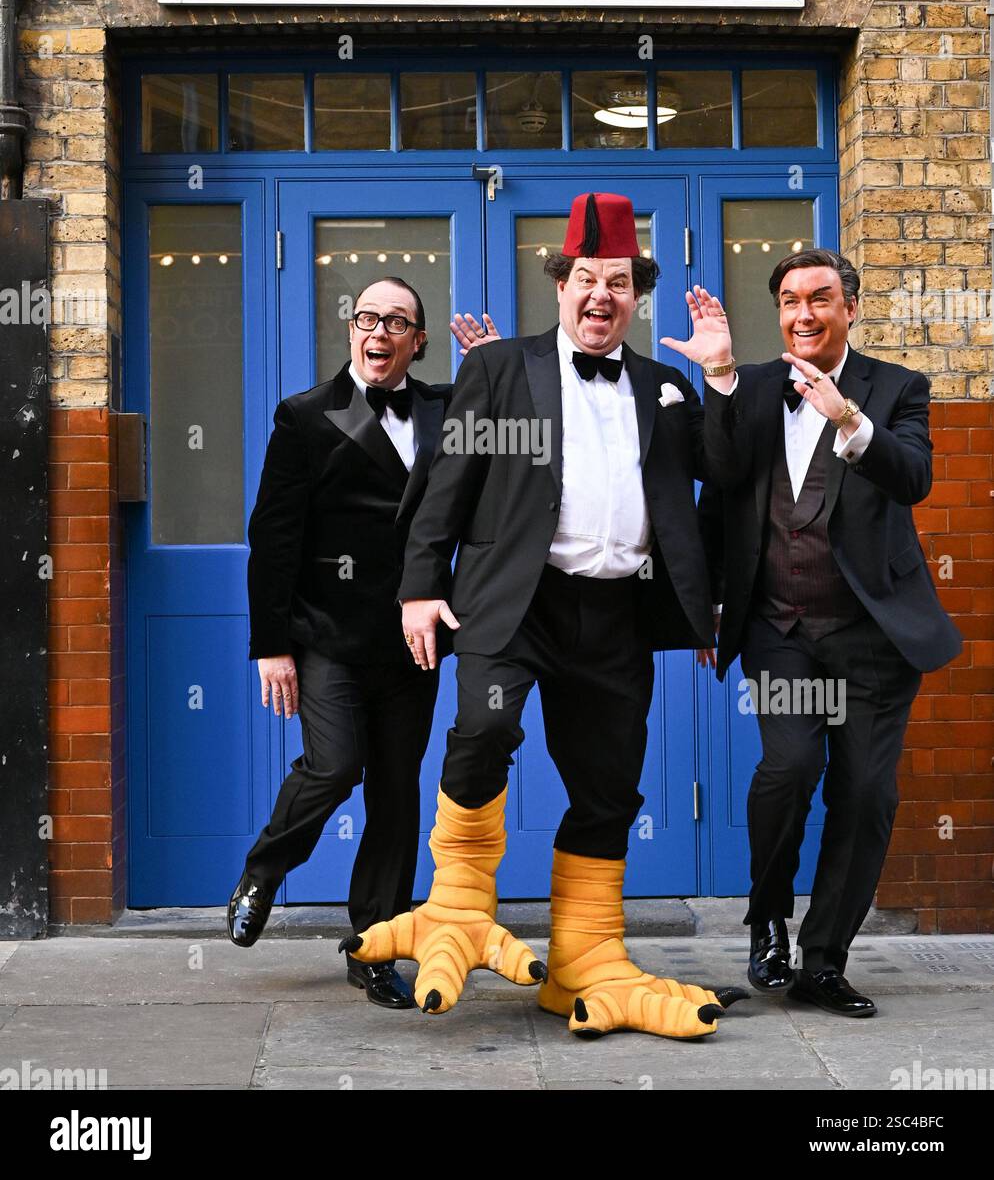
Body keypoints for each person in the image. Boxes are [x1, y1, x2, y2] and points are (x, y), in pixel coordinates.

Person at [345, 192, 747, 1040]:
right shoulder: (501, 369)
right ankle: (455, 906)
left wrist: (717, 374)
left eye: (621, 282)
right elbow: (442, 484)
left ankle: (584, 962)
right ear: (560, 284)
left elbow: (724, 469)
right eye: (587, 279)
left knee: (609, 784)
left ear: (637, 296)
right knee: (483, 733)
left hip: (617, 616)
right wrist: (421, 586)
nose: (602, 295)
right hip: (512, 603)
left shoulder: (665, 386)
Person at [691, 248, 962, 1017]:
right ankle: (768, 916)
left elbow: (913, 476)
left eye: (818, 298)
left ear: (849, 306)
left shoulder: (898, 388)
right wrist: (709, 602)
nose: (802, 313)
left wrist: (848, 418)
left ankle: (824, 960)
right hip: (782, 629)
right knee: (788, 765)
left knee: (867, 793)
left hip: (874, 636)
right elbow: (719, 490)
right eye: (787, 300)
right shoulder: (752, 389)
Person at [226, 276, 498, 1010]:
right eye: (367, 318)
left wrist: (499, 369)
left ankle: (374, 946)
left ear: (418, 341)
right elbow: (274, 539)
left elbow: (517, 460)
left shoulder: (447, 408)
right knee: (335, 764)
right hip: (329, 636)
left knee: (395, 792)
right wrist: (270, 645)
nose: (379, 331)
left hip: (415, 641)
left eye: (397, 321)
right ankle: (265, 868)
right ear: (352, 330)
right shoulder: (306, 417)